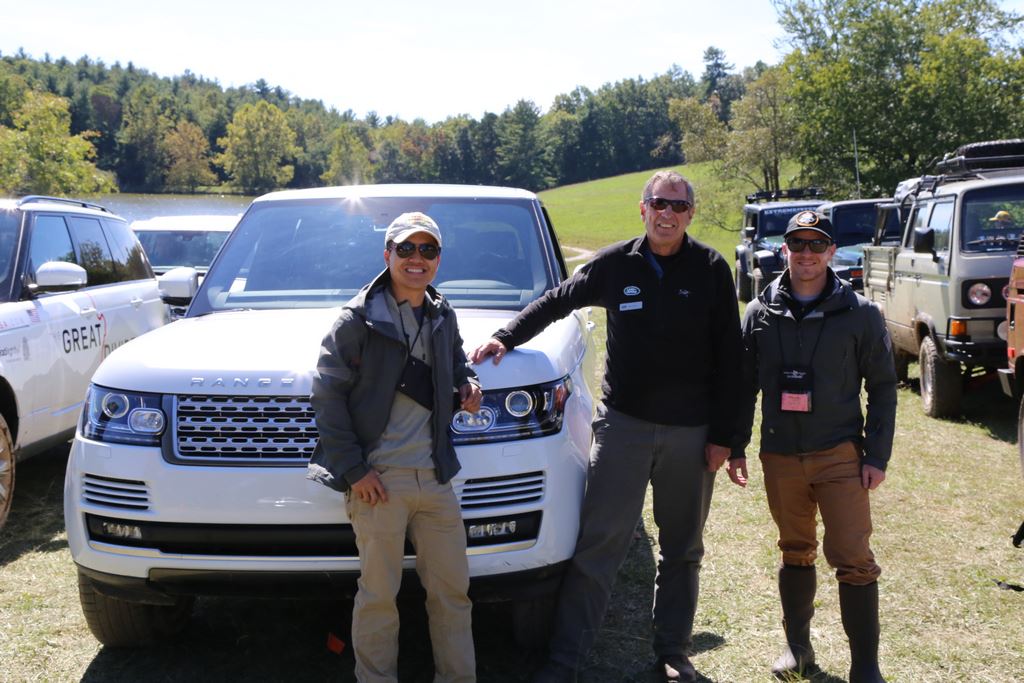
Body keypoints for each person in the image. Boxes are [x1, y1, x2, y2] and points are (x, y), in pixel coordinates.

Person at [470, 170, 743, 683]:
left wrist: (728, 437)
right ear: (643, 209)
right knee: (599, 546)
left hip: (691, 433)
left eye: (679, 206)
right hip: (624, 428)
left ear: (691, 213)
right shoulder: (617, 263)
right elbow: (558, 300)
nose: (668, 213)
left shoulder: (710, 268)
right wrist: (506, 336)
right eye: (659, 203)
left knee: (683, 548)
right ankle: (566, 662)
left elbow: (732, 358)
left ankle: (672, 652)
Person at [307, 212, 483, 683]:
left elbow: (459, 364)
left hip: (437, 479)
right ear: (387, 256)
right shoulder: (356, 320)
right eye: (406, 249)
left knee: (453, 596)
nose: (417, 259)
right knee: (379, 598)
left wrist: (468, 385)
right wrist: (354, 471)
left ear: (438, 260)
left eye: (427, 250)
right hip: (378, 484)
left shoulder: (444, 315)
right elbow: (326, 398)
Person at [729, 209, 897, 683]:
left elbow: (883, 387)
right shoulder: (760, 313)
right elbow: (744, 388)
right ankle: (797, 649)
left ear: (831, 251)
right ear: (785, 250)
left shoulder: (861, 313)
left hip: (839, 454)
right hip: (780, 455)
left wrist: (877, 456)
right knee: (794, 548)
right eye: (796, 244)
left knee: (854, 557)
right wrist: (737, 445)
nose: (805, 253)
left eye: (815, 244)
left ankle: (866, 664)